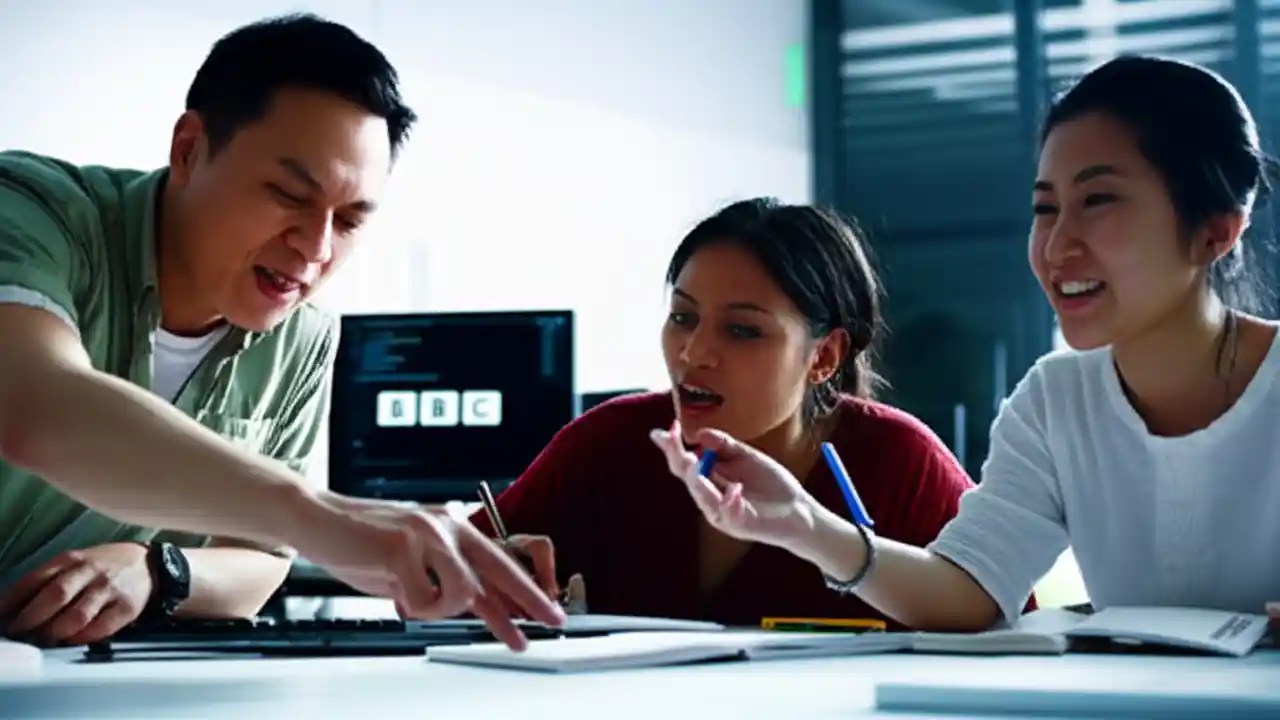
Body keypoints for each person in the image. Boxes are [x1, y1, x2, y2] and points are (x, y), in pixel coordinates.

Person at [654, 55, 1280, 631]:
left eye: (1099, 200)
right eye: (1044, 208)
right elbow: (971, 589)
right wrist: (805, 525)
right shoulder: (1055, 400)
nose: (1058, 245)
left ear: (1215, 231)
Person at [0, 13, 562, 650]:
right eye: (291, 195)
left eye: (349, 220)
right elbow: (37, 405)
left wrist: (157, 571)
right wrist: (323, 514)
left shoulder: (303, 337)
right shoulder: (30, 212)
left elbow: (262, 559)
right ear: (189, 150)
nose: (316, 249)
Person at [473, 198, 978, 628]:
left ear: (823, 357)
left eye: (742, 331)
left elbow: (1011, 627)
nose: (693, 353)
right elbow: (435, 575)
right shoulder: (610, 443)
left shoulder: (900, 461)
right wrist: (481, 571)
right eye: (682, 317)